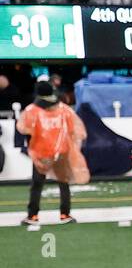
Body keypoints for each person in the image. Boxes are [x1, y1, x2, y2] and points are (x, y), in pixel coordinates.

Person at [18, 80, 88, 225]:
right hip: (61, 152)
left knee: (37, 184)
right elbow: (75, 129)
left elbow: (24, 129)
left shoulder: (32, 110)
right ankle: (65, 214)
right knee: (63, 183)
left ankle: (32, 215)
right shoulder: (63, 108)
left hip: (41, 152)